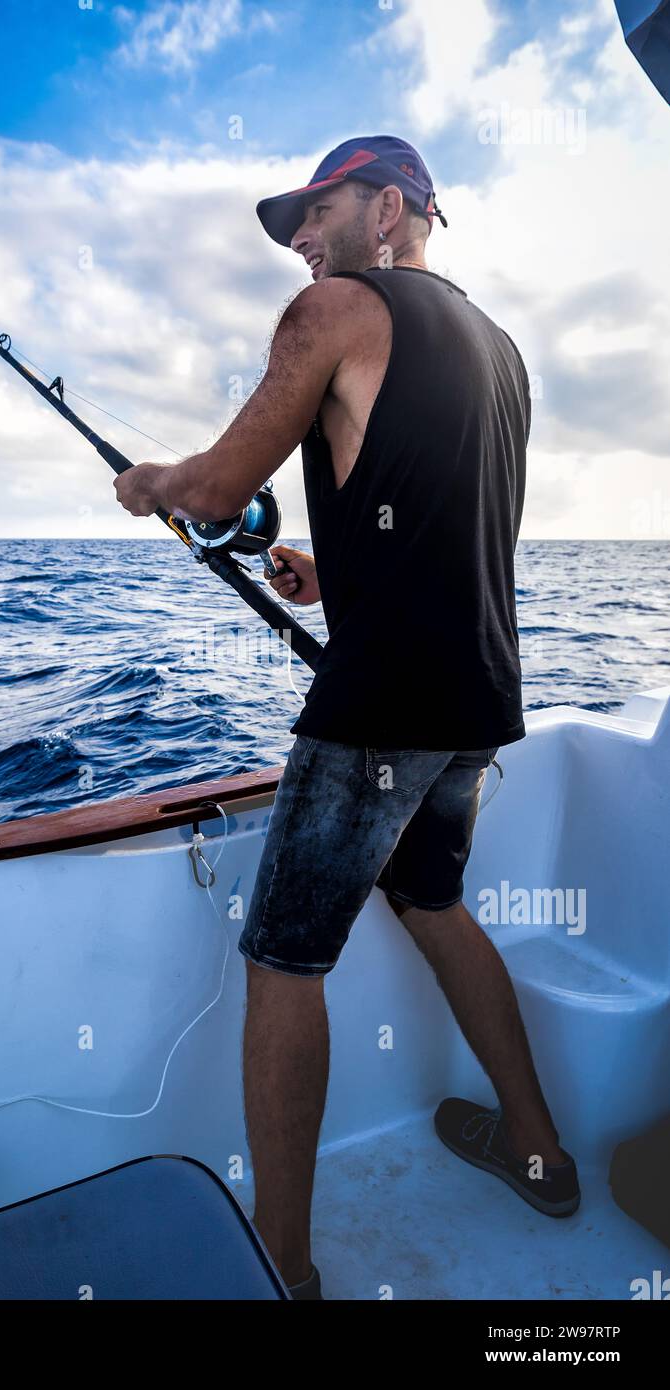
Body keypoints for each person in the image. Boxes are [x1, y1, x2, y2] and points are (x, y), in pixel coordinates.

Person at [113, 135, 580, 1301]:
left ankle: (283, 1267)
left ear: (391, 208)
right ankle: (537, 1148)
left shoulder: (328, 312)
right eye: (289, 228)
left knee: (283, 959)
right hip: (477, 694)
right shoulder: (501, 350)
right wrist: (334, 571)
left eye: (315, 212)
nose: (299, 240)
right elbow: (443, 523)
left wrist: (153, 481)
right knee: (430, 902)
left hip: (381, 706)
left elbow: (217, 489)